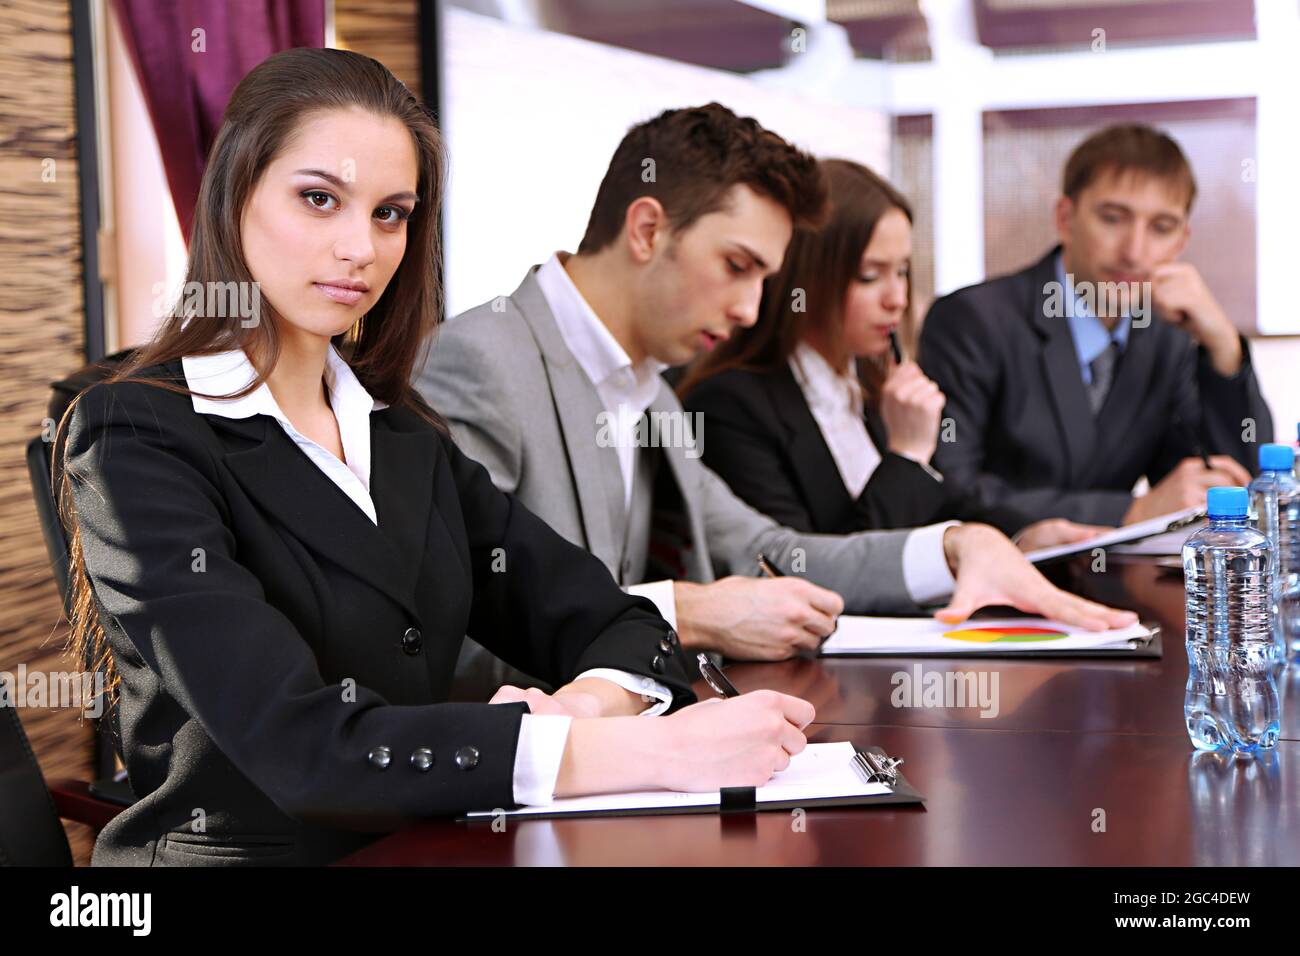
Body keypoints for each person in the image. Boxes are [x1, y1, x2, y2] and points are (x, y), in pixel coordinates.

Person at [56, 50, 816, 867]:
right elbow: (301, 746)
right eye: (319, 199)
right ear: (235, 195)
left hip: (434, 843)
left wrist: (589, 710)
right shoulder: (135, 433)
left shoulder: (402, 434)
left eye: (391, 214)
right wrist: (641, 752)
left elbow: (619, 621)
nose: (361, 247)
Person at [415, 104, 1137, 688]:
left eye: (766, 277)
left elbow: (769, 551)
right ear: (646, 230)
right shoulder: (482, 360)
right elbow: (445, 642)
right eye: (737, 266)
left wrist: (949, 549)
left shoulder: (656, 398)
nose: (753, 311)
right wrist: (682, 612)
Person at [677, 158, 1101, 550]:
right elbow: (815, 568)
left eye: (901, 271)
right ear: (804, 278)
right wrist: (907, 454)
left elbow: (945, 506)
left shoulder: (869, 391)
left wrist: (1025, 535)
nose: (897, 298)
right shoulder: (730, 408)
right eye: (869, 276)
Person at [919, 123, 1273, 527]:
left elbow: (1232, 494)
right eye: (1112, 218)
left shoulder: (1166, 337)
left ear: (1180, 242)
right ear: (1066, 218)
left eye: (1161, 228)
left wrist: (1224, 349)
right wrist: (1129, 511)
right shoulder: (973, 320)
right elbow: (946, 487)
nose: (1134, 252)